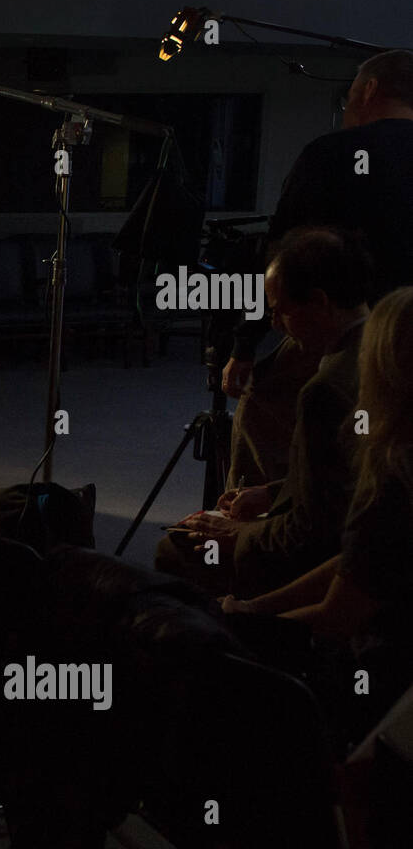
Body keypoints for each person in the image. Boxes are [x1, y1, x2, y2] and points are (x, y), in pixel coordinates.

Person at [221, 286, 413, 741]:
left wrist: (237, 631)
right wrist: (252, 610)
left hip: (387, 684)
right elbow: (357, 562)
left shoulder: (395, 478)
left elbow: (338, 616)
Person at [222, 50, 413, 488]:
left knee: (265, 407)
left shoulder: (329, 155)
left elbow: (283, 256)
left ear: (368, 90)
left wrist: (245, 345)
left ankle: (244, 524)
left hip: (347, 330)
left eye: (349, 97)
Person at [158, 227, 370, 598]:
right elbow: (347, 482)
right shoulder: (384, 346)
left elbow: (312, 533)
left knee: (175, 547)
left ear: (319, 302)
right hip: (354, 539)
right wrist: (274, 494)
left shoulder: (326, 389)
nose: (274, 325)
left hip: (331, 556)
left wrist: (240, 535)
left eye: (281, 312)